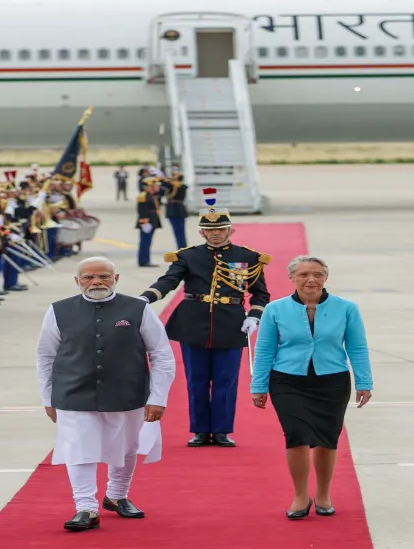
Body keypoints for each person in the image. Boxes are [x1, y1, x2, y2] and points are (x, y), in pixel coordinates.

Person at [35, 256, 176, 532]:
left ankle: (117, 494)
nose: (96, 282)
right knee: (79, 449)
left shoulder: (139, 309)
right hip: (73, 392)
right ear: (77, 281)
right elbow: (45, 356)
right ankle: (86, 508)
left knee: (126, 448)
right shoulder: (58, 311)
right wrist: (47, 397)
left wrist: (158, 397)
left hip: (128, 391)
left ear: (116, 279)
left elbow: (162, 354)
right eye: (88, 277)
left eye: (103, 276)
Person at [138, 199, 269, 447]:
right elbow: (169, 281)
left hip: (230, 323)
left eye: (220, 229)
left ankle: (221, 430)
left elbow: (260, 293)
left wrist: (254, 315)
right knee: (196, 380)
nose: (216, 234)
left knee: (226, 380)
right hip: (193, 323)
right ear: (202, 232)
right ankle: (199, 429)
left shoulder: (248, 257)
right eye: (210, 230)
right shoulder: (188, 256)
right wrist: (145, 298)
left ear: (231, 230)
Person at [251, 255, 373, 519]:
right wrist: (258, 386)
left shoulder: (347, 308)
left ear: (325, 277)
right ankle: (300, 495)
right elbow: (264, 350)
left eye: (317, 274)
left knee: (328, 440)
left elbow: (357, 347)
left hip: (332, 381)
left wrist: (364, 382)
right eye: (304, 274)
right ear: (292, 278)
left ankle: (323, 494)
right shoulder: (275, 309)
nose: (311, 280)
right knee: (296, 436)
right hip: (286, 380)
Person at [135, 177, 162, 267]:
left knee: (148, 242)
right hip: (147, 222)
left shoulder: (152, 195)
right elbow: (141, 211)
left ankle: (145, 260)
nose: (157, 187)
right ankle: (143, 261)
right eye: (155, 186)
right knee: (145, 242)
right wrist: (144, 223)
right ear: (149, 187)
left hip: (152, 221)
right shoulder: (143, 196)